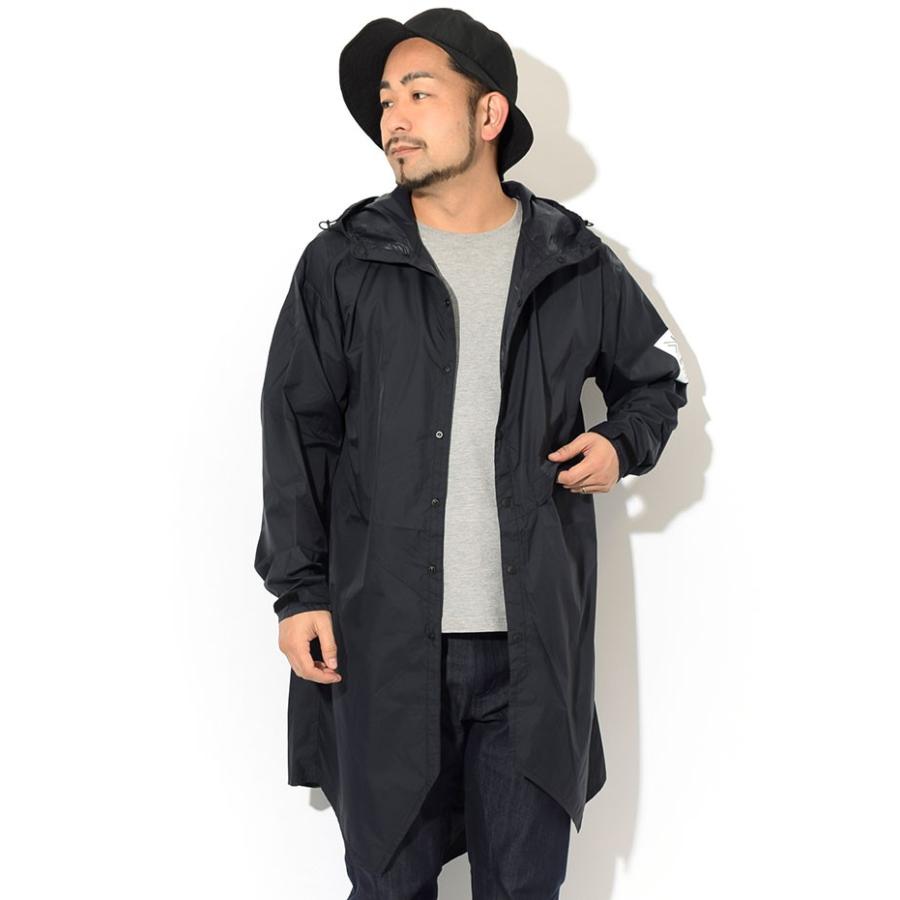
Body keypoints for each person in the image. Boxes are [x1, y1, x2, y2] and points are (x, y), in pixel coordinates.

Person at [254, 8, 689, 898]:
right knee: (389, 886)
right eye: (386, 101)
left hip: (530, 655)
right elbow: (297, 429)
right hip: (383, 646)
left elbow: (656, 384)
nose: (393, 119)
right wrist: (298, 592)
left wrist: (620, 444)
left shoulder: (572, 260)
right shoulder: (345, 263)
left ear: (488, 114)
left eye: (419, 94)